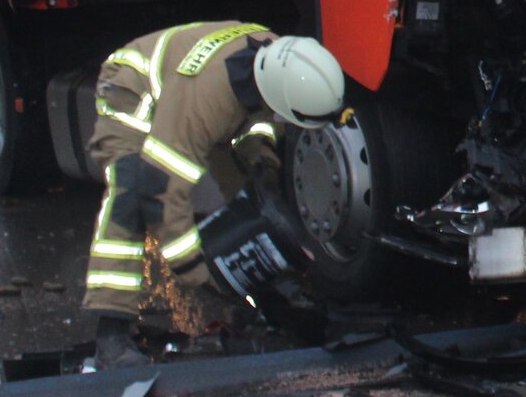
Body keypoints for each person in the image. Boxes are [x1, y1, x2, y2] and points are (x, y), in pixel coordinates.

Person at [82, 21, 346, 368]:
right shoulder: (200, 105)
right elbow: (161, 190)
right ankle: (111, 335)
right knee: (130, 196)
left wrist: (260, 154)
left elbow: (265, 118)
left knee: (253, 187)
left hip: (206, 94)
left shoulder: (287, 64)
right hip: (134, 88)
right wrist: (195, 269)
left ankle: (262, 300)